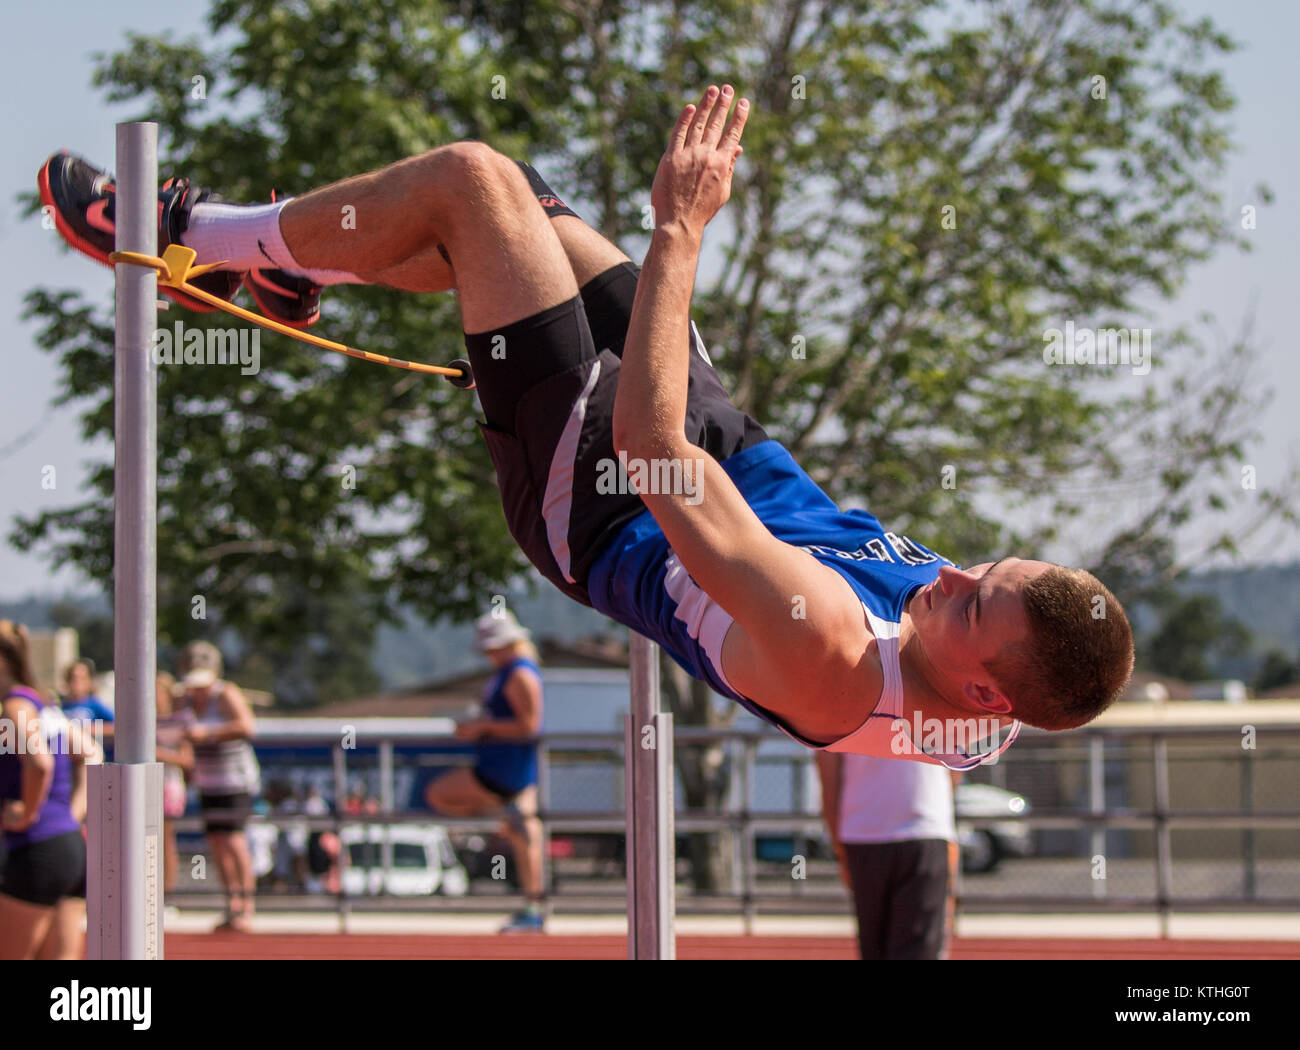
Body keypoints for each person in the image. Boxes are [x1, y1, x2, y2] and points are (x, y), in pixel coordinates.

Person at [39, 84, 1135, 770]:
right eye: (987, 566)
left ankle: (177, 236)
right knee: (522, 203)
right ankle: (280, 268)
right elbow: (1049, 672)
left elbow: (652, 451)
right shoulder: (999, 690)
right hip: (729, 452)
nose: (952, 571)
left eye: (970, 599)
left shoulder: (834, 654)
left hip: (611, 504)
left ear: (984, 683)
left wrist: (681, 228)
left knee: (473, 188)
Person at [426, 610, 544, 932]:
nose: (488, 654)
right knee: (523, 836)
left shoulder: (520, 673)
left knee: (524, 837)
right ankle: (533, 906)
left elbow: (529, 726)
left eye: (492, 647)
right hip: (502, 769)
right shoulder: (509, 671)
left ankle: (534, 907)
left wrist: (481, 728)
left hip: (508, 771)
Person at [0, 621, 101, 959]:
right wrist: (72, 814)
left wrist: (28, 814)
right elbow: (91, 752)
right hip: (68, 846)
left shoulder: (14, 707)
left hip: (37, 850)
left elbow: (38, 763)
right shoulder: (43, 705)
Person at [816, 751, 959, 960]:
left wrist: (840, 847)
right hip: (923, 825)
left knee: (875, 950)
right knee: (919, 951)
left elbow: (827, 767)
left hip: (863, 829)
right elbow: (958, 762)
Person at [173, 641, 260, 932]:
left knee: (235, 842)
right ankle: (231, 904)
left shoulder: (225, 694)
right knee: (218, 844)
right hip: (208, 782)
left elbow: (247, 726)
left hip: (234, 781)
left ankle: (247, 905)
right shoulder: (183, 698)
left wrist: (207, 733)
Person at [154, 670, 193, 897]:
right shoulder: (144, 720)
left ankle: (166, 895)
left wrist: (157, 753)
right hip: (147, 785)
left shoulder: (180, 721)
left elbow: (186, 760)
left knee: (165, 841)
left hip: (168, 785)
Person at [60, 659, 114, 759]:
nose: (77, 682)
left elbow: (116, 727)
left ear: (89, 681)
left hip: (92, 757)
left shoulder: (95, 704)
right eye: (73, 678)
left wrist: (90, 729)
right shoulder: (61, 707)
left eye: (82, 678)